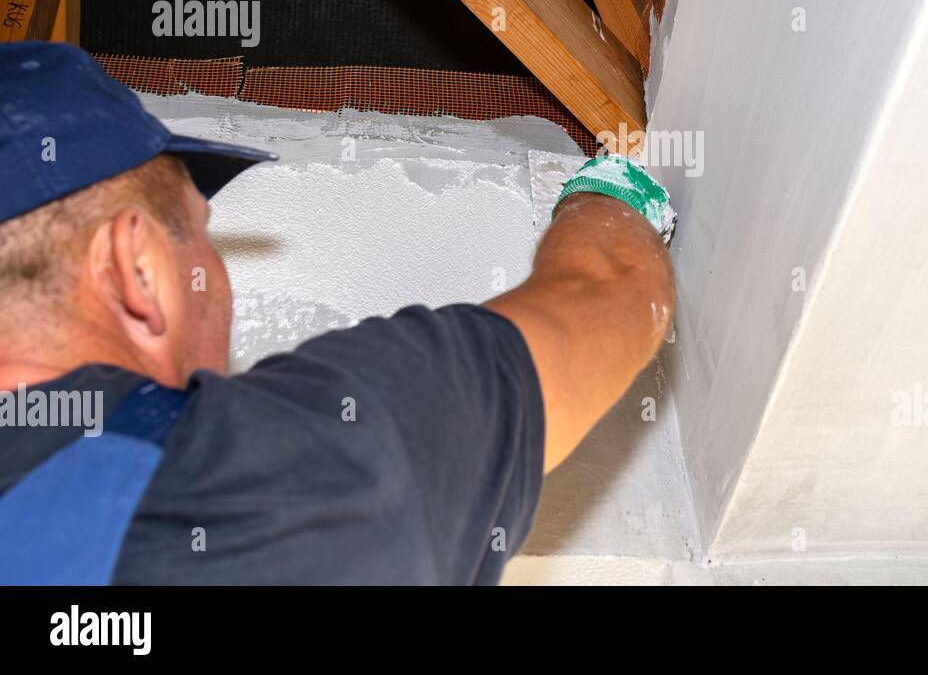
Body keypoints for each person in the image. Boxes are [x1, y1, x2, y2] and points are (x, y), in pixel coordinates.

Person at [0, 42, 675, 584]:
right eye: (202, 232)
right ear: (137, 267)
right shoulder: (262, 479)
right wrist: (606, 192)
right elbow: (615, 286)